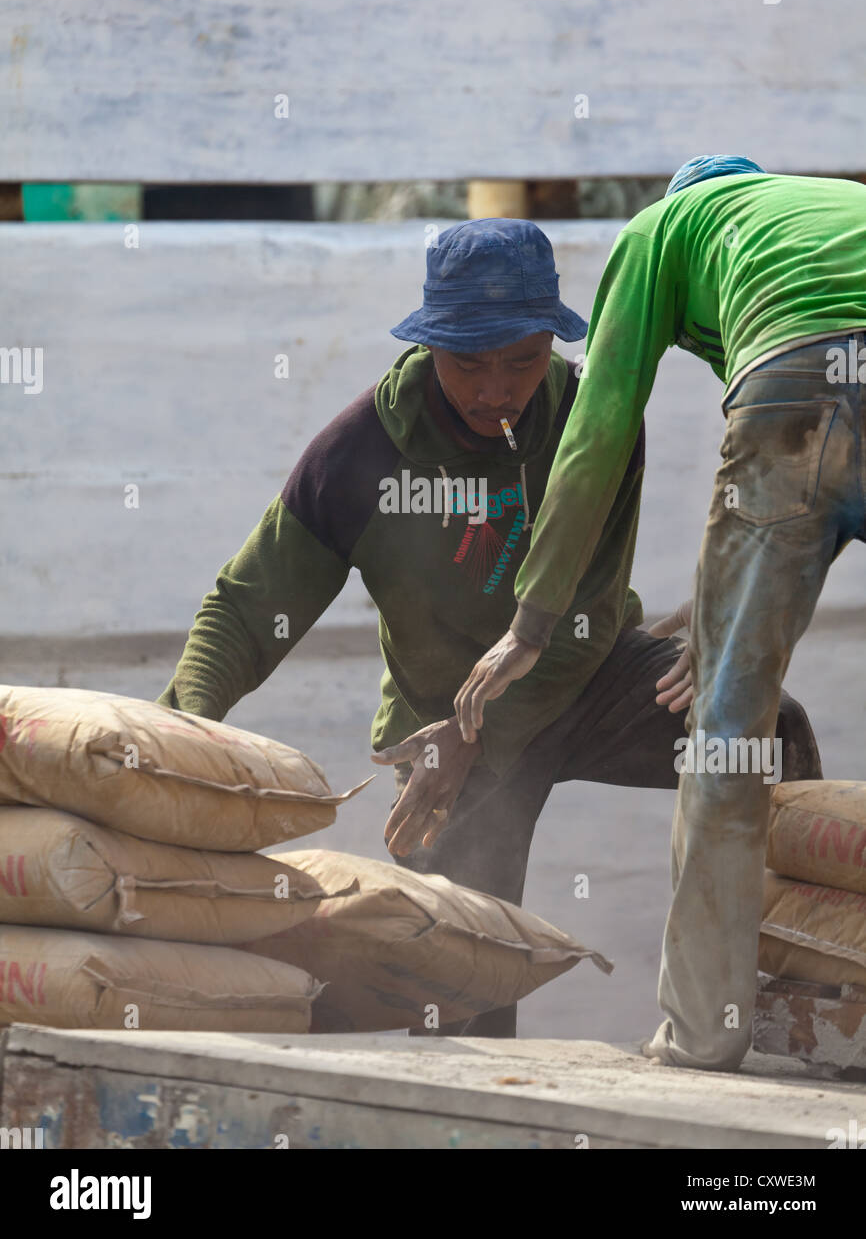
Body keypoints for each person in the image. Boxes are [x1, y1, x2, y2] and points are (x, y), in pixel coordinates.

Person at [155, 214, 822, 1039]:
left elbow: (577, 613)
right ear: (430, 343)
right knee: (462, 971)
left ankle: (795, 1004)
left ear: (553, 341)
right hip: (442, 735)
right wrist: (177, 735)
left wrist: (486, 725)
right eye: (470, 362)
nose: (497, 389)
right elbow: (249, 607)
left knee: (771, 734)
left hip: (589, 679)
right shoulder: (360, 454)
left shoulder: (596, 417)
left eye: (523, 360)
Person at [453, 160, 866, 1065]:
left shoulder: (663, 228)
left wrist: (531, 622)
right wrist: (716, 608)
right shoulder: (832, 214)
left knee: (726, 734)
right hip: (810, 372)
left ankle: (701, 1035)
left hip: (792, 385)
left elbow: (596, 432)